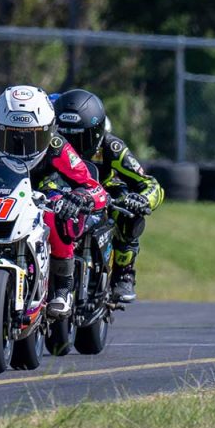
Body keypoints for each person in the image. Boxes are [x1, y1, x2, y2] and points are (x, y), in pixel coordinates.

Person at [0, 86, 108, 318]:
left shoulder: (56, 146)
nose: (22, 145)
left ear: (48, 131)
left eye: (32, 136)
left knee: (59, 217)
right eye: (12, 136)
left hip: (44, 197)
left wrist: (79, 198)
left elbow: (95, 188)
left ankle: (62, 288)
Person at [52, 90, 164, 303]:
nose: (71, 145)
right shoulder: (47, 145)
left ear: (96, 132)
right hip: (58, 194)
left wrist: (142, 200)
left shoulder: (111, 147)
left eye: (79, 137)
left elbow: (150, 184)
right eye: (64, 136)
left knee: (129, 214)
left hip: (104, 195)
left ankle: (124, 272)